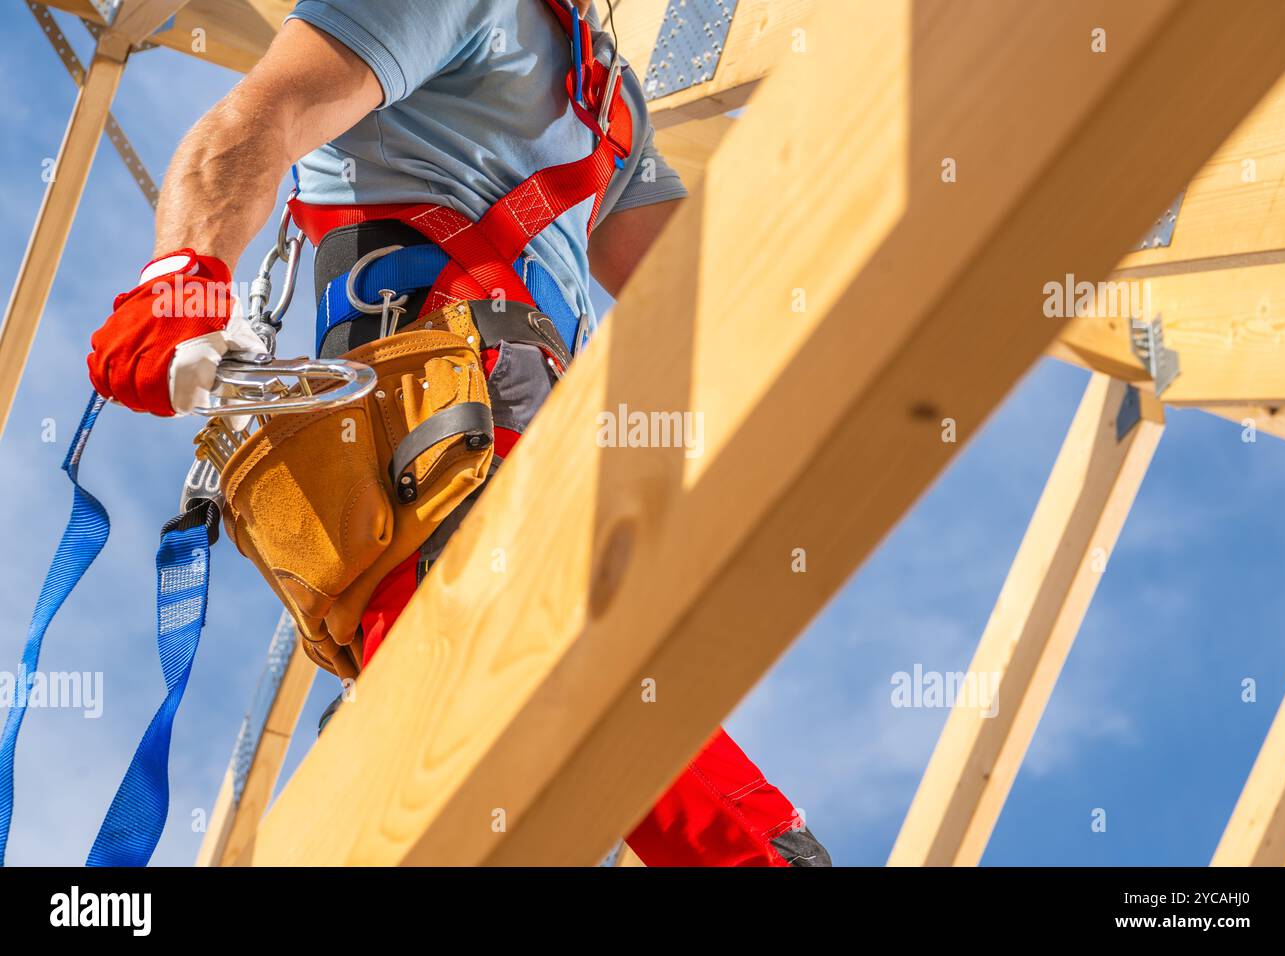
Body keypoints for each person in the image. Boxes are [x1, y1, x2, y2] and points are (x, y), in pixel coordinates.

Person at [86, 0, 829, 867]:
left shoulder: (608, 94)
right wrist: (182, 280)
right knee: (487, 653)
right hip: (435, 422)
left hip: (532, 426)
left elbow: (713, 286)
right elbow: (263, 115)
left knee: (529, 692)